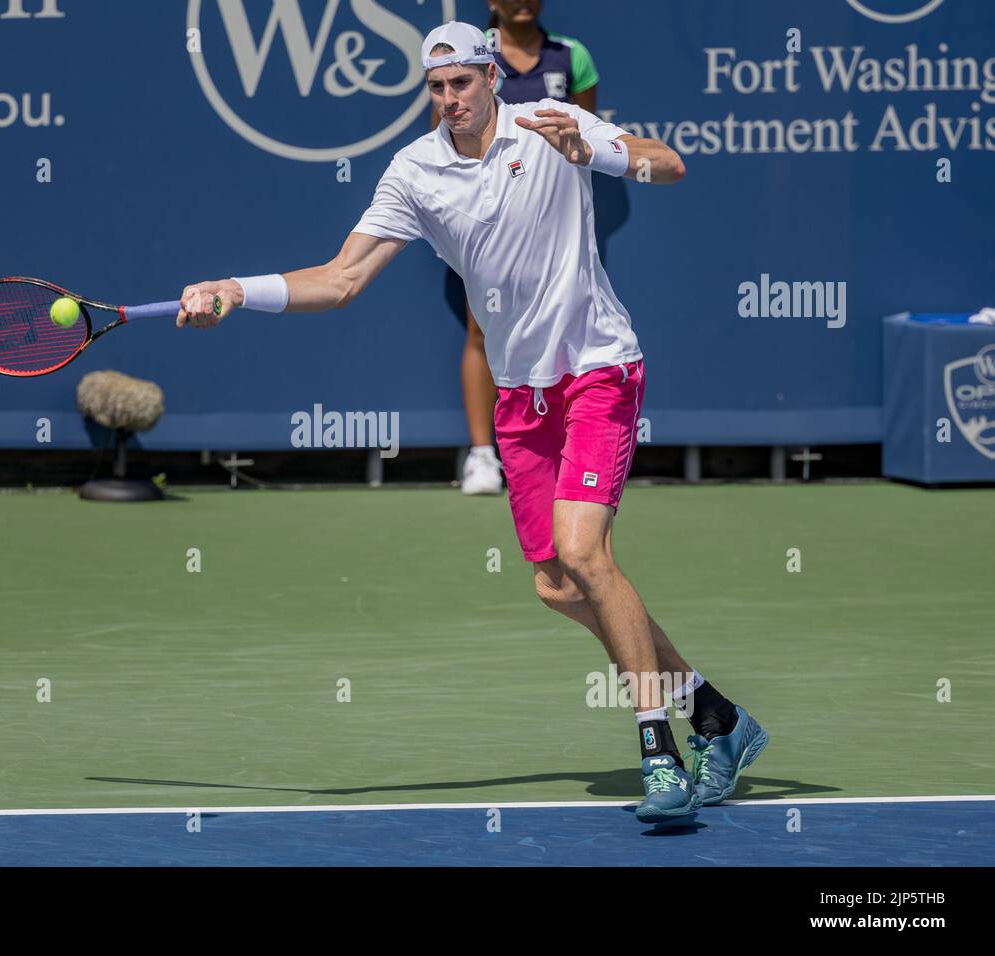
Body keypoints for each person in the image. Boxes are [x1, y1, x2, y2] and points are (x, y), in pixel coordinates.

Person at [175, 22, 768, 825]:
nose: (450, 99)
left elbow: (670, 163)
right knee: (557, 583)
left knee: (585, 553)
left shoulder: (550, 123)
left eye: (462, 82)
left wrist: (596, 153)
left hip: (598, 368)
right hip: (519, 396)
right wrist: (237, 289)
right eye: (436, 86)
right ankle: (717, 717)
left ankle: (658, 750)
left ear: (493, 77)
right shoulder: (414, 172)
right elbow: (341, 278)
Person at [447, 1, 602, 495]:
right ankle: (481, 457)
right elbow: (449, 136)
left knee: (563, 330)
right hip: (488, 219)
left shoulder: (571, 55)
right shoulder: (472, 57)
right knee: (483, 330)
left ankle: (565, 455)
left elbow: (587, 140)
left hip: (555, 223)